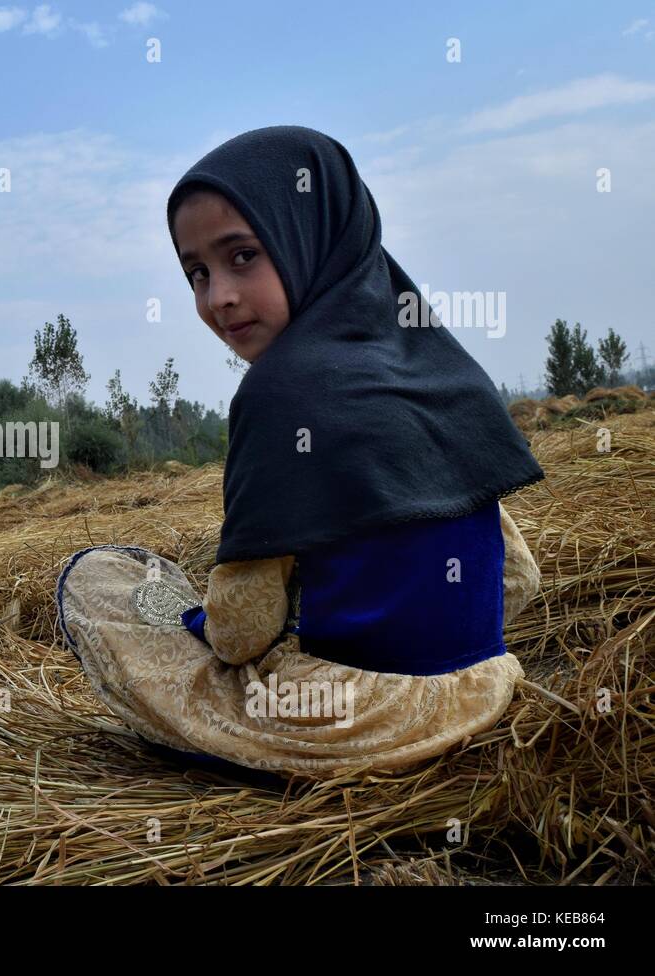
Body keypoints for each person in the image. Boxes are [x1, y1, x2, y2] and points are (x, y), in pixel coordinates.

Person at [55, 126, 545, 777]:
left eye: (243, 256)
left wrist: (211, 625)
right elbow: (519, 579)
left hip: (353, 719)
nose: (218, 297)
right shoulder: (438, 369)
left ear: (311, 235)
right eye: (196, 273)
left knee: (97, 583)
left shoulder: (280, 394)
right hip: (480, 690)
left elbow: (240, 634)